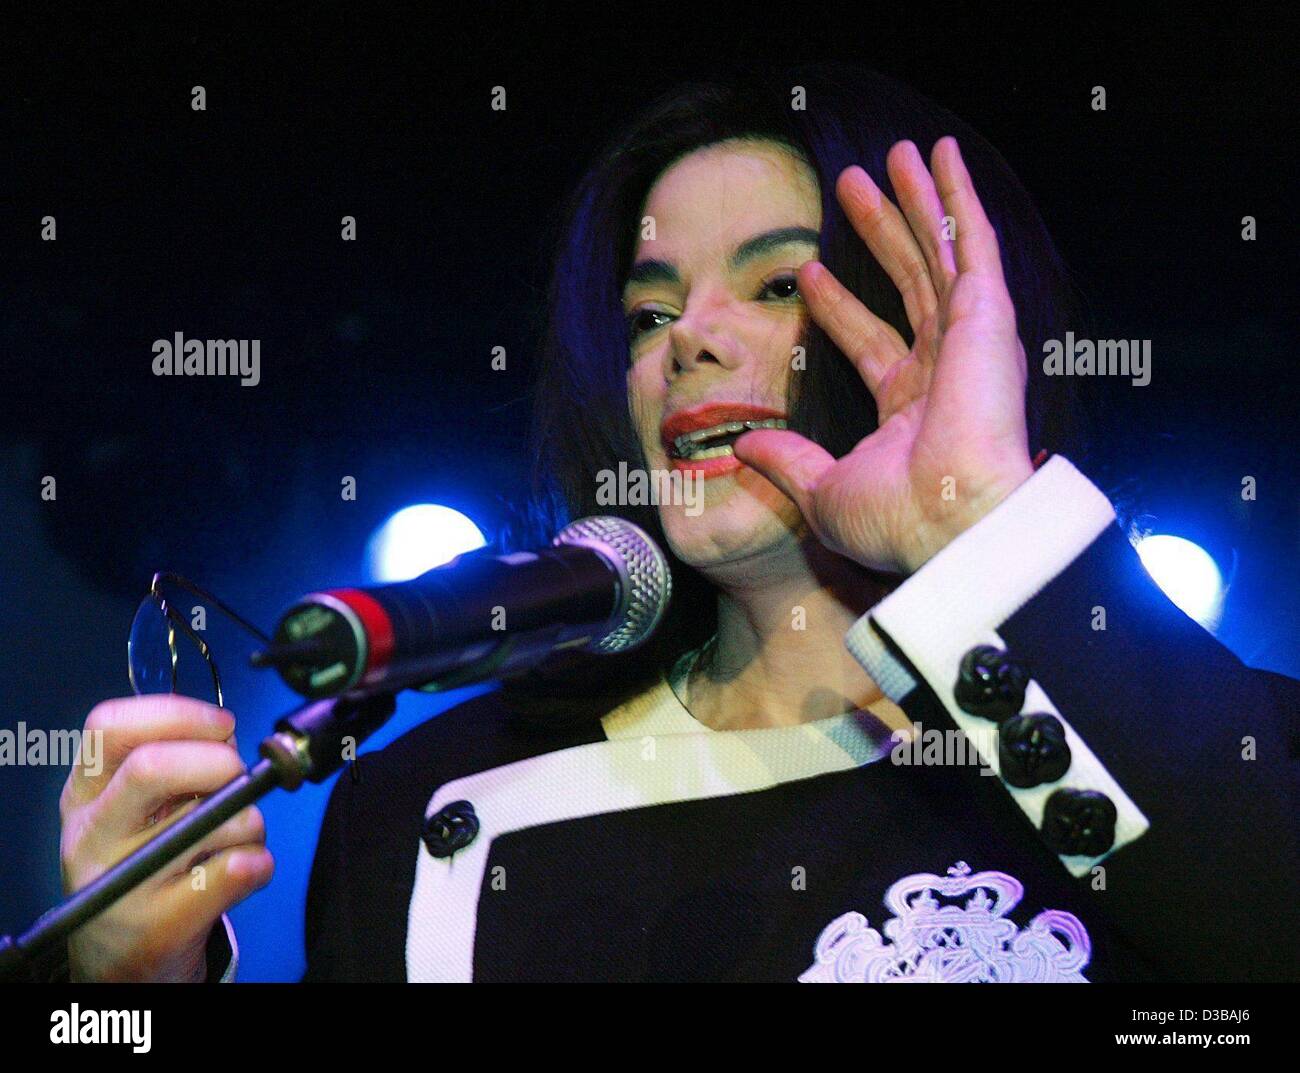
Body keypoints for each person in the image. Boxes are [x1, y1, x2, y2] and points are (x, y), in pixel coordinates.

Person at [53, 65, 1299, 983]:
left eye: (771, 283)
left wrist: (978, 520)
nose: (686, 342)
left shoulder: (1164, 755)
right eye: (650, 313)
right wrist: (121, 996)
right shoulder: (425, 803)